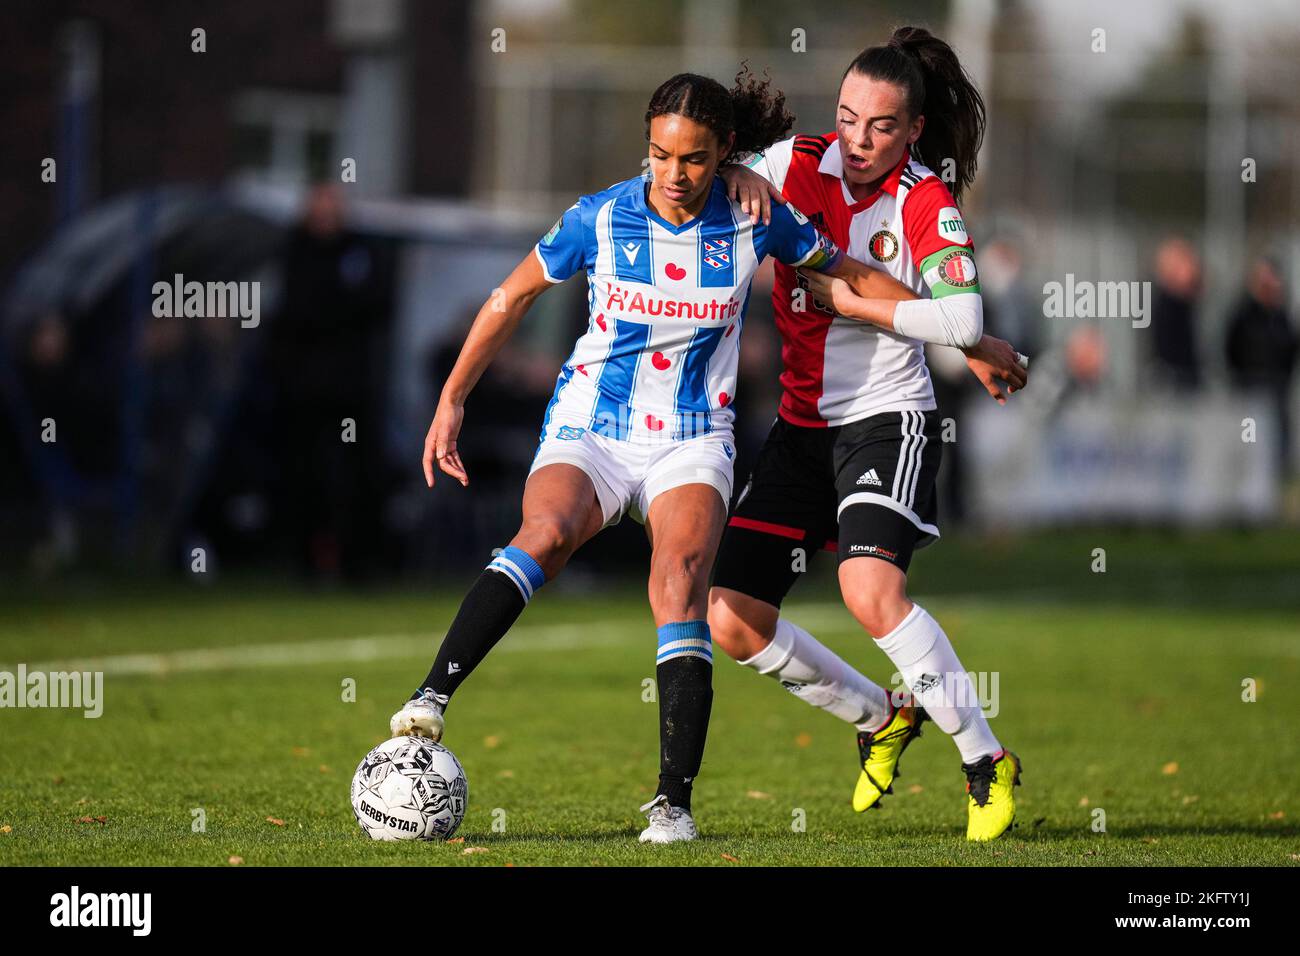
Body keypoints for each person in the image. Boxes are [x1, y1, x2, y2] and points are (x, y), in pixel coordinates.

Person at [389, 70, 927, 843]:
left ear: (726, 156)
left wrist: (962, 335)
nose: (675, 175)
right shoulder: (599, 218)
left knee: (678, 583)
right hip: (593, 424)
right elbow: (510, 298)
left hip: (691, 435)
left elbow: (848, 273)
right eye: (661, 155)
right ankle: (430, 700)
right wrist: (452, 400)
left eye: (696, 160)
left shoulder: (755, 218)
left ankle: (672, 807)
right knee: (544, 535)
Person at [711, 26, 1028, 841]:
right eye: (847, 117)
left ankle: (985, 759)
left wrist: (856, 307)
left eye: (880, 126)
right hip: (800, 426)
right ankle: (879, 715)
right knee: (731, 616)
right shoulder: (797, 162)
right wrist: (738, 168)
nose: (856, 141)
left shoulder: (926, 199)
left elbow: (962, 314)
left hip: (888, 421)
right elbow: (712, 171)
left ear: (914, 130)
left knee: (867, 590)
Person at [1225, 257, 1297, 476]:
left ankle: (1277, 476)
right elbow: (1231, 348)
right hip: (1250, 387)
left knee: (1278, 438)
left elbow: (1291, 348)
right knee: (1251, 438)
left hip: (1277, 387)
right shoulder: (1243, 314)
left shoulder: (1280, 316)